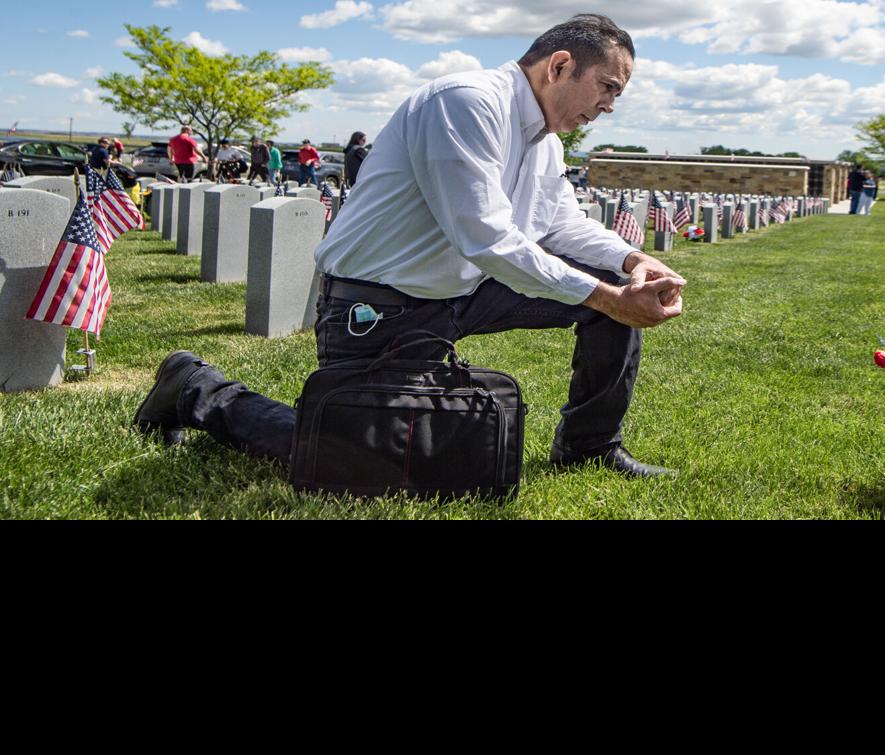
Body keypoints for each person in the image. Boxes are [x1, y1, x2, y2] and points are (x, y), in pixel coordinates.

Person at [135, 13, 687, 479]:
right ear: (560, 66)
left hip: (465, 291)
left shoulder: (541, 136)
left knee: (614, 295)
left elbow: (559, 223)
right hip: (379, 302)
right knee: (359, 461)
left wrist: (632, 262)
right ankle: (194, 387)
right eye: (608, 87)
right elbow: (485, 237)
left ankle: (588, 446)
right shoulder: (466, 103)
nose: (611, 104)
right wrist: (606, 297)